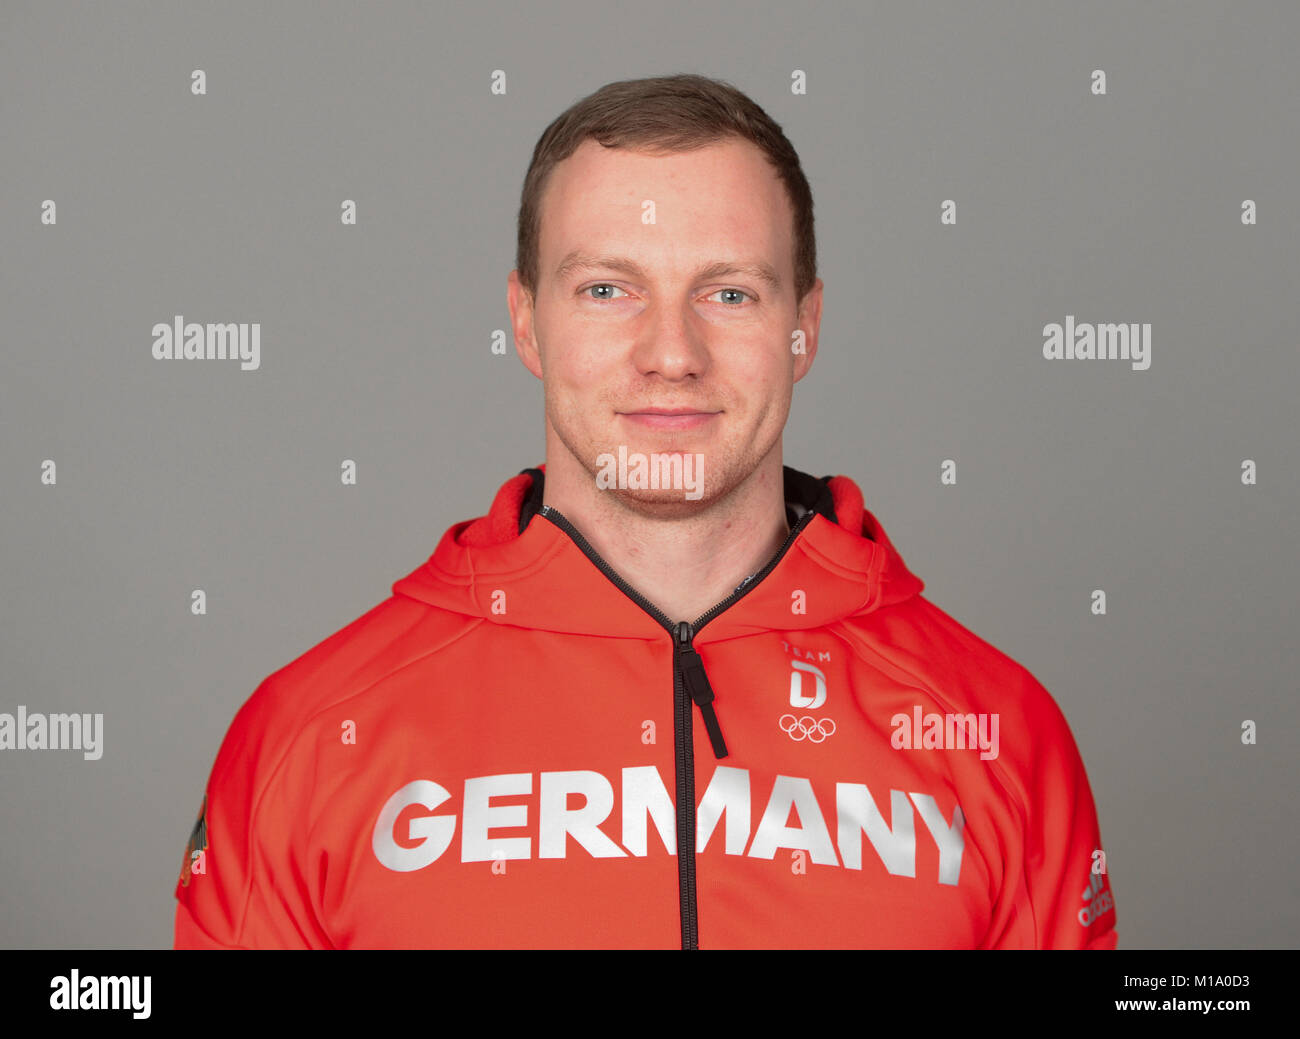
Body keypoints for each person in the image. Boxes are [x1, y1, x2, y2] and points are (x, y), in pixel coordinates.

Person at [172, 73, 1118, 949]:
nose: (672, 351)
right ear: (526, 321)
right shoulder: (310, 738)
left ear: (806, 328)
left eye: (731, 292)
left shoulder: (996, 731)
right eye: (608, 290)